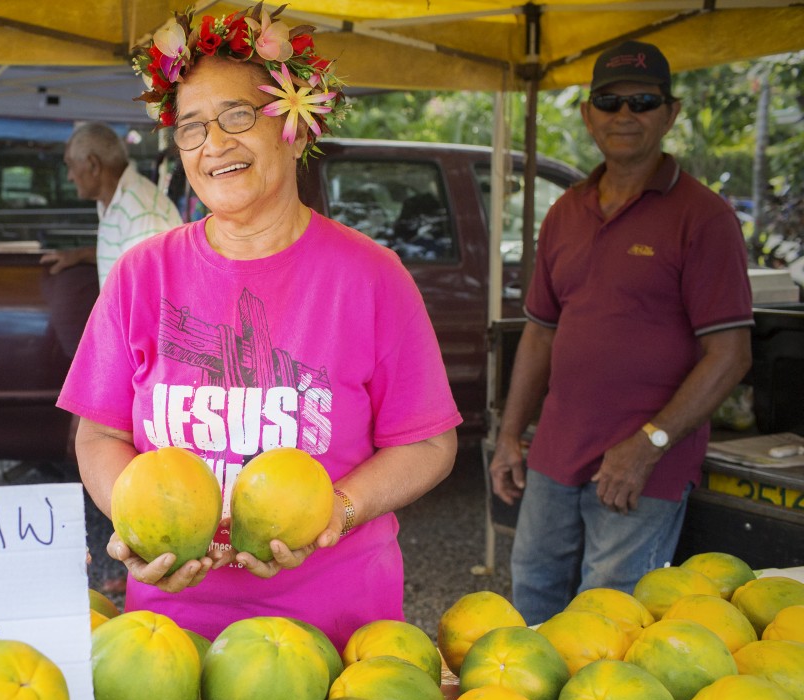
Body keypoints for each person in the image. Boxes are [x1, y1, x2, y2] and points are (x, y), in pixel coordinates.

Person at [56, 5, 461, 649]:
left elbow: (429, 444)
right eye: (191, 127)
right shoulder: (141, 275)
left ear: (295, 129)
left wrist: (338, 510)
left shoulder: (371, 277)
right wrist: (132, 522)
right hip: (166, 640)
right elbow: (100, 434)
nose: (213, 144)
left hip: (336, 634)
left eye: (238, 116)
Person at [489, 41, 754, 624]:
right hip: (556, 451)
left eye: (643, 101)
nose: (625, 114)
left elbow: (730, 355)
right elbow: (539, 334)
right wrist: (509, 435)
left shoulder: (704, 217)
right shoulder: (566, 211)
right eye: (609, 102)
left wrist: (648, 444)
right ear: (588, 115)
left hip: (643, 466)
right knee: (531, 601)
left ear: (670, 113)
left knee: (610, 622)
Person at [40, 122, 182, 289]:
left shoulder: (141, 212)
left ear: (93, 165)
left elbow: (149, 294)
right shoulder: (114, 202)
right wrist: (81, 255)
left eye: (70, 166)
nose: (69, 177)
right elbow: (124, 257)